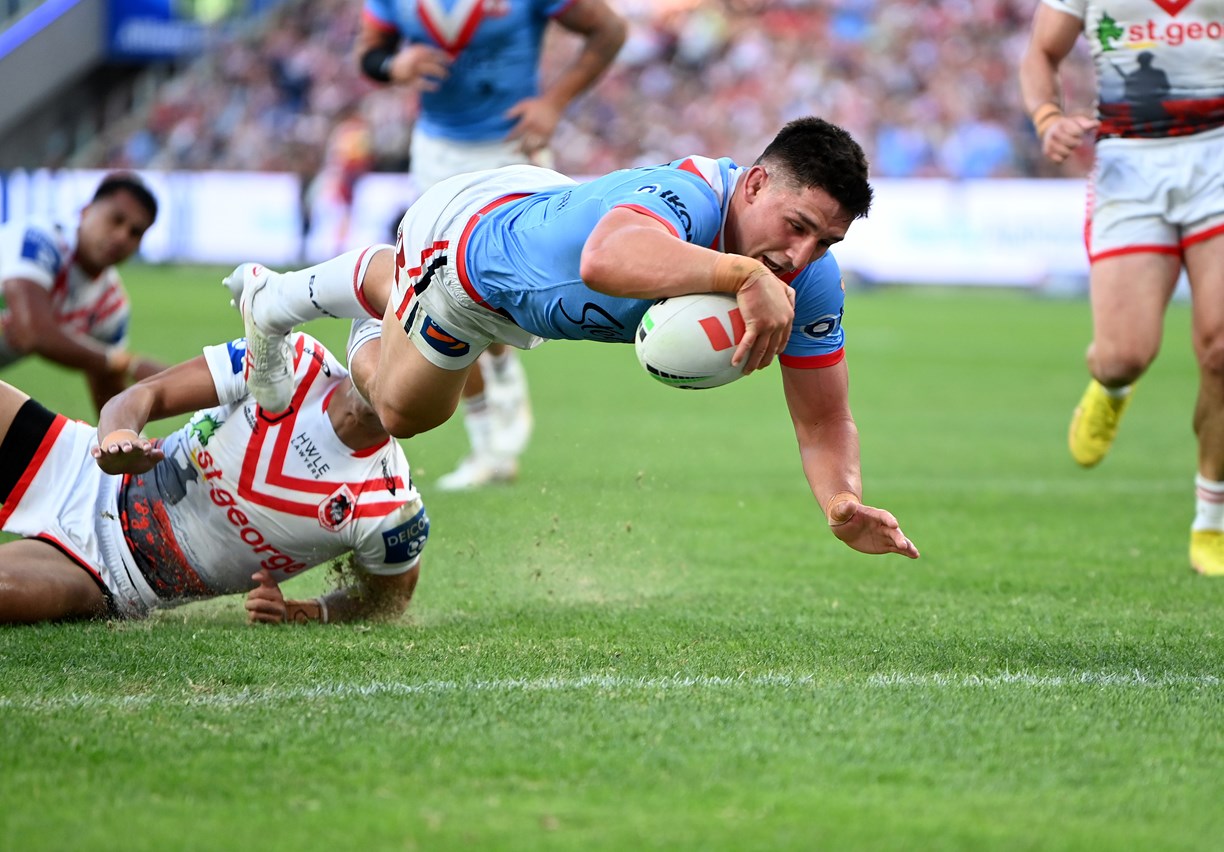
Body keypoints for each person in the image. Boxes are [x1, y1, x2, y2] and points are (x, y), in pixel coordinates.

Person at [231, 116, 919, 560]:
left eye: (824, 242)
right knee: (404, 413)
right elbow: (605, 260)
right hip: (467, 255)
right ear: (756, 184)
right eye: (796, 225)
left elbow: (825, 419)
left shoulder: (809, 282)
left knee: (407, 397)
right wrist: (741, 274)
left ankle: (387, 292)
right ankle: (294, 292)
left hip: (533, 242)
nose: (801, 255)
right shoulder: (687, 196)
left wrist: (841, 498)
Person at [353, 0, 628, 490]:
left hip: (514, 152)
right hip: (438, 153)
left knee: (506, 299)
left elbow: (608, 29)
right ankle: (489, 443)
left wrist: (554, 103)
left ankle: (501, 410)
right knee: (443, 298)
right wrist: (395, 65)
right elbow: (370, 53)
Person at [0, 320, 429, 625]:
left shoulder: (390, 507)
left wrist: (305, 611)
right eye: (387, 353)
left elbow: (388, 599)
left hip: (106, 573)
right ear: (363, 337)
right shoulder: (291, 359)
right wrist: (117, 438)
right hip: (74, 463)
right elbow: (145, 393)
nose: (390, 378)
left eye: (414, 376)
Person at [1019, 0, 1224, 575]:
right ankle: (1110, 386)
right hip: (1130, 167)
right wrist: (1046, 117)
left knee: (1220, 349)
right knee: (1123, 355)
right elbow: (1042, 51)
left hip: (1219, 157)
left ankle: (1213, 515)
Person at [0, 172, 167, 414]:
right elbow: (32, 332)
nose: (122, 236)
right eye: (116, 220)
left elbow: (107, 388)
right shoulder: (40, 239)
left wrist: (128, 440)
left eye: (135, 233)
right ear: (86, 211)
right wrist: (125, 362)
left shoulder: (112, 304)